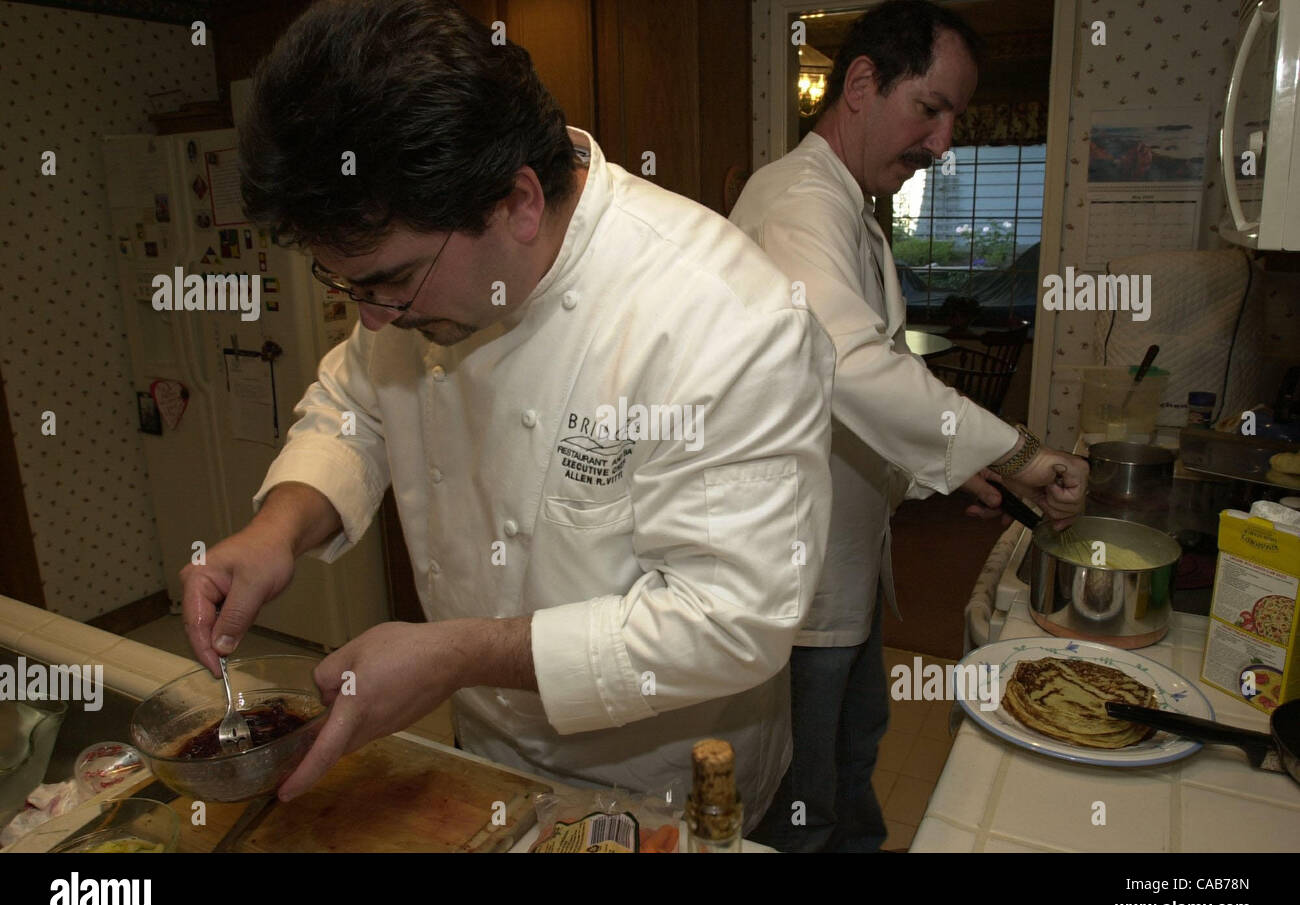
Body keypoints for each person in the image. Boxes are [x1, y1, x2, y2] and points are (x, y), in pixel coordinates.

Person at [180, 0, 836, 825]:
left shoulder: (728, 320)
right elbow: (356, 403)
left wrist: (454, 654)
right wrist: (278, 529)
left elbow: (730, 623)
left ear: (518, 201)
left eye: (391, 282)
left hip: (662, 778)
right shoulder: (421, 283)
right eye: (347, 285)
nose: (371, 319)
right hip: (486, 752)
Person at [729, 0, 1089, 852]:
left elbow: (854, 389)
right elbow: (850, 367)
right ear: (861, 84)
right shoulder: (795, 203)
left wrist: (958, 466)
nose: (944, 142)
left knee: (852, 759)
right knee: (802, 803)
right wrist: (1020, 452)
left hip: (844, 565)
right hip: (797, 580)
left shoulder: (851, 205)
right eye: (930, 108)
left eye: (953, 117)